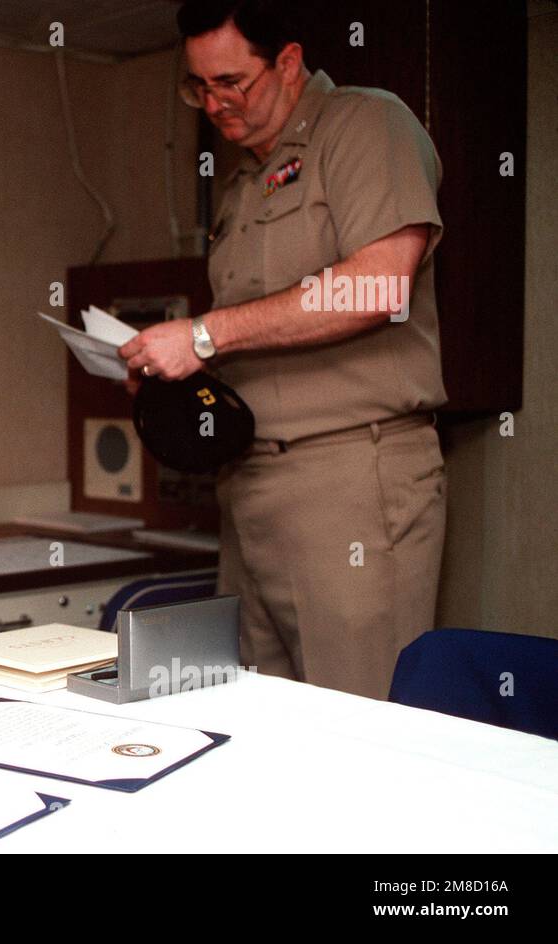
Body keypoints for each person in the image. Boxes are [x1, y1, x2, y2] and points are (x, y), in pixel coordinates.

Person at [119, 0, 447, 699]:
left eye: (232, 82)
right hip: (248, 482)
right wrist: (175, 374)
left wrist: (205, 334)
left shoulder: (365, 125)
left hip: (348, 480)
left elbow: (379, 285)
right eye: (198, 87)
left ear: (289, 62)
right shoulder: (243, 181)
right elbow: (261, 333)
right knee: (260, 722)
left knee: (359, 723)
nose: (214, 103)